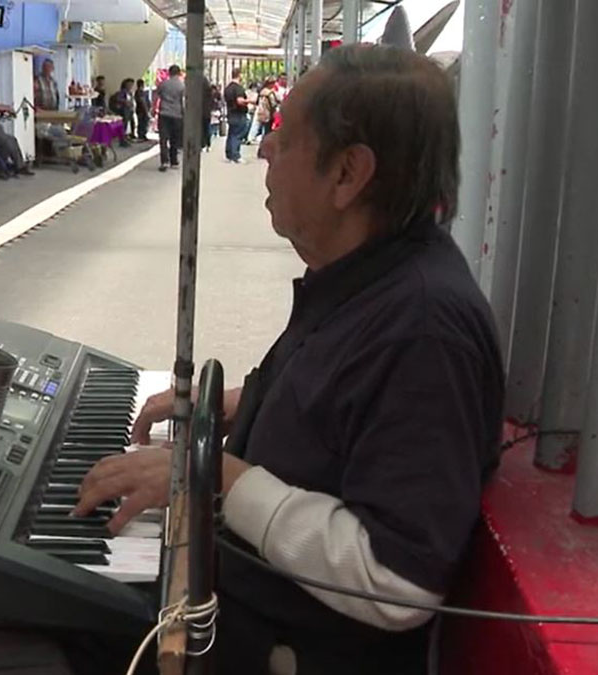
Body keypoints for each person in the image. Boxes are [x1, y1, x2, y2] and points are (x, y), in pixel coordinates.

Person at [75, 44, 504, 675]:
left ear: (347, 174)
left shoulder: (423, 330)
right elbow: (348, 411)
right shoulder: (370, 280)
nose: (266, 149)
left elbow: (396, 579)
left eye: (286, 135)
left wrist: (206, 477)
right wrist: (241, 406)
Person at [154, 64, 185, 172]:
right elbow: (183, 101)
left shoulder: (163, 84)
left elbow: (157, 95)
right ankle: (174, 161)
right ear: (179, 73)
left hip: (164, 113)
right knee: (174, 139)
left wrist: (155, 109)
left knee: (163, 138)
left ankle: (164, 161)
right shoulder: (182, 86)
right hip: (177, 114)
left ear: (169, 73)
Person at [223, 67, 249, 163]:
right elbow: (240, 101)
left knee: (231, 134)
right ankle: (235, 155)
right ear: (239, 75)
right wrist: (250, 101)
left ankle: (229, 153)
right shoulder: (238, 88)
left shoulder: (228, 88)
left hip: (231, 113)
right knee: (237, 135)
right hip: (239, 113)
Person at [108, 78, 135, 146]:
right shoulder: (122, 92)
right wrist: (125, 102)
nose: (130, 86)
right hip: (123, 111)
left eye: (131, 84)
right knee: (123, 126)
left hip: (128, 111)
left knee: (126, 126)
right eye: (129, 84)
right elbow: (118, 99)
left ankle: (125, 138)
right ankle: (122, 140)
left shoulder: (130, 93)